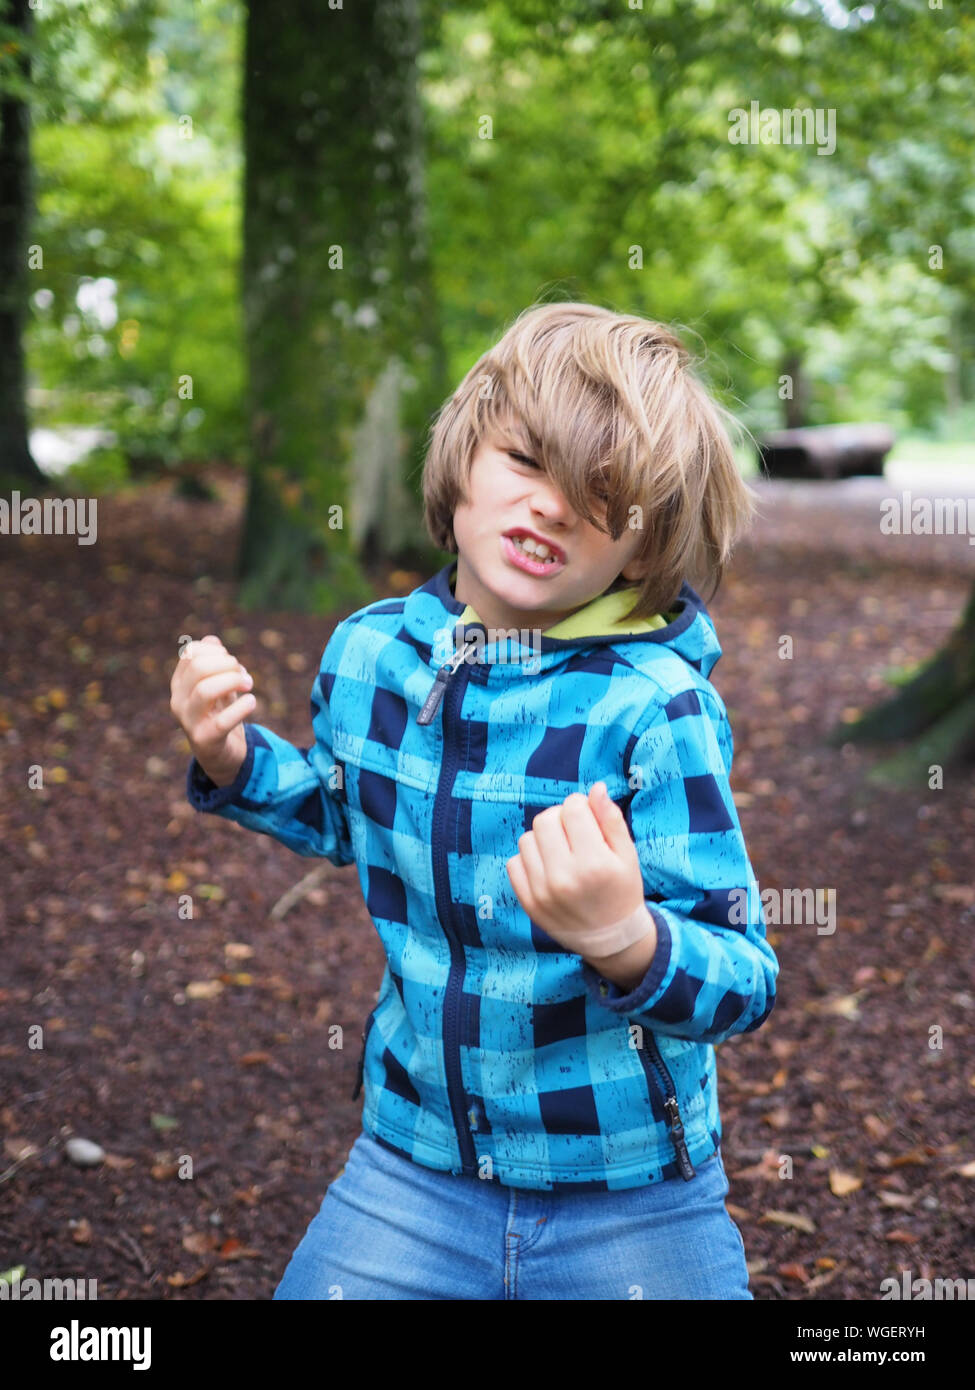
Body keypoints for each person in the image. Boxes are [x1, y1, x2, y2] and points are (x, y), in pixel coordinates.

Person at [169, 300, 779, 1300]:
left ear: (643, 545)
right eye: (527, 461)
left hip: (627, 1193)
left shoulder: (653, 709)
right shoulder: (371, 655)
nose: (551, 508)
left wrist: (626, 933)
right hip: (415, 1170)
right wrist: (235, 760)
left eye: (604, 497)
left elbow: (744, 977)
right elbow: (342, 808)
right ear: (461, 459)